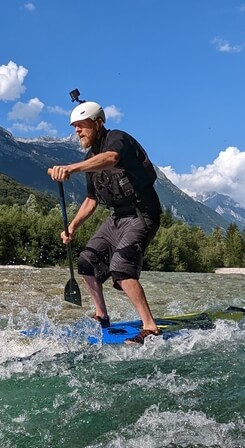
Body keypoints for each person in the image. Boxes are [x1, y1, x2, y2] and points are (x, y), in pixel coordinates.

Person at [48, 101, 162, 345]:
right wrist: (72, 227)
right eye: (75, 127)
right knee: (86, 260)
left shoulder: (118, 139)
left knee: (121, 267)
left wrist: (71, 168)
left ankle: (150, 327)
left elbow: (111, 158)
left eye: (82, 125)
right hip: (117, 217)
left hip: (143, 214)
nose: (77, 131)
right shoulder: (90, 160)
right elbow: (91, 200)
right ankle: (102, 316)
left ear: (98, 124)